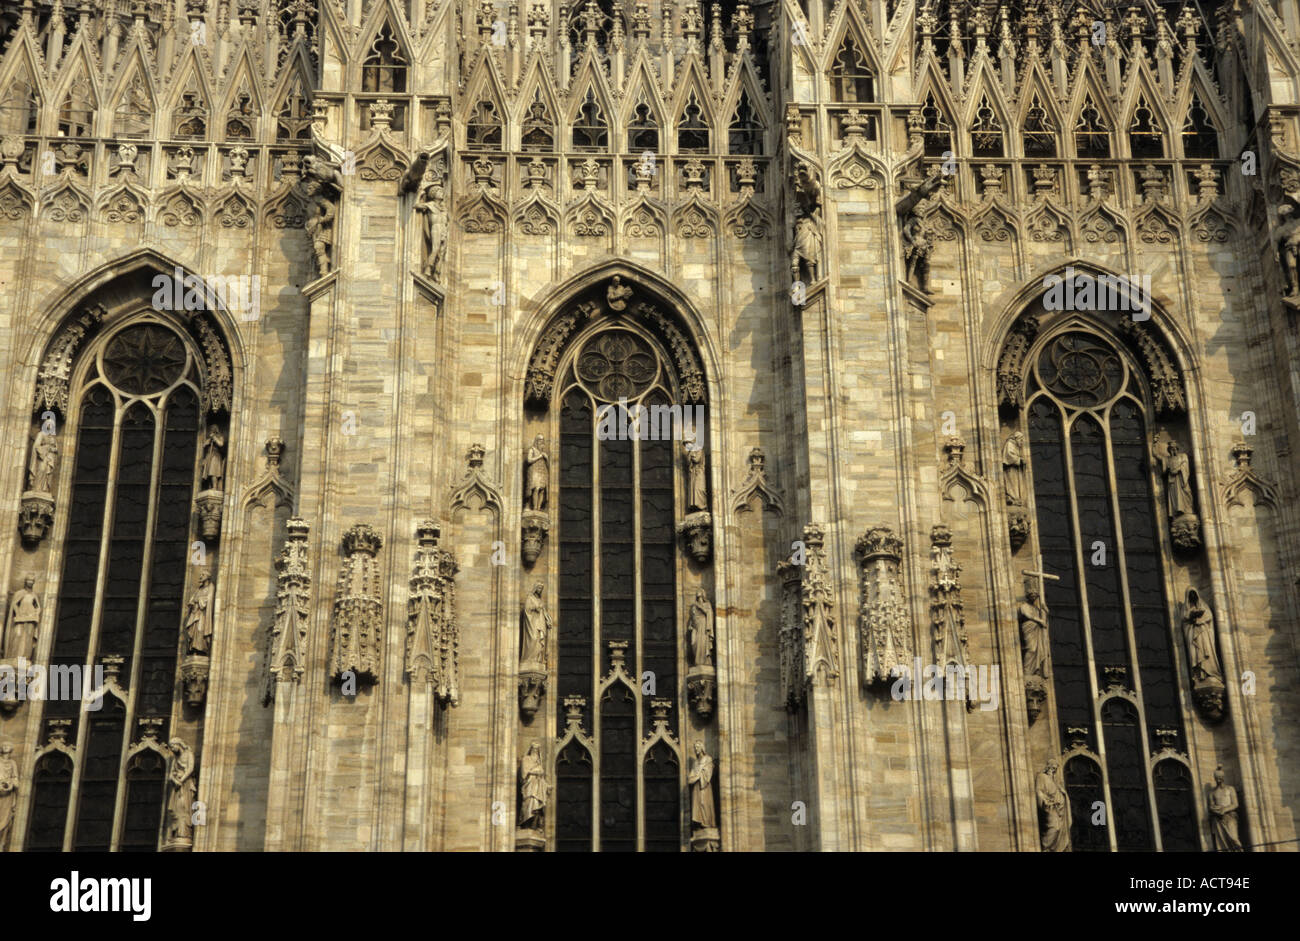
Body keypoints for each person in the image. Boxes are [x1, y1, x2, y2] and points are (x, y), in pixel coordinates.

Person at [1036, 759, 1069, 852]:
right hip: (1049, 807)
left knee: (1058, 828)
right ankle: (1046, 847)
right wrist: (1045, 801)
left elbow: (1059, 792)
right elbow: (1039, 791)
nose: (1053, 770)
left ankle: (1053, 848)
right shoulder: (1041, 777)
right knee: (1054, 827)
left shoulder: (1055, 781)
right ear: (1048, 767)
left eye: (1055, 769)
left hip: (1059, 809)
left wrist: (1063, 794)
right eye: (1052, 768)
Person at [4, 577, 40, 663]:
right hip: (20, 618)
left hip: (30, 619)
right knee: (18, 635)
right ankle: (14, 656)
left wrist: (35, 613)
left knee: (28, 638)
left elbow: (38, 607)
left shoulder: (34, 595)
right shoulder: (20, 593)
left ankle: (25, 657)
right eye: (29, 580)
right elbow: (14, 604)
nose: (30, 582)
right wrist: (18, 613)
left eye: (32, 581)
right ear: (25, 582)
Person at [1018, 584, 1050, 680]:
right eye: (1031, 595)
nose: (1033, 597)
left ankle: (1036, 670)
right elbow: (1027, 615)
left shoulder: (1037, 609)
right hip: (1029, 629)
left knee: (1039, 650)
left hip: (1037, 631)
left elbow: (1045, 622)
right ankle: (1027, 671)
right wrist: (1039, 621)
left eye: (1035, 596)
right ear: (1028, 596)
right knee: (1031, 649)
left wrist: (1046, 612)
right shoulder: (1024, 606)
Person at [518, 741, 548, 829]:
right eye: (533, 749)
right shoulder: (526, 759)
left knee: (536, 804)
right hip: (529, 786)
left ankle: (534, 825)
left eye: (537, 750)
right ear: (530, 749)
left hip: (537, 788)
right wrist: (535, 772)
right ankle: (526, 823)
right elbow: (524, 773)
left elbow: (542, 775)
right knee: (529, 803)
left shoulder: (539, 763)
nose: (535, 751)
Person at [688, 742, 716, 831]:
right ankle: (700, 823)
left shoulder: (708, 759)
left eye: (697, 747)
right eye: (695, 747)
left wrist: (698, 776)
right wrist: (693, 778)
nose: (696, 749)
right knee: (697, 805)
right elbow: (691, 776)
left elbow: (708, 773)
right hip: (696, 787)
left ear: (702, 748)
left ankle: (707, 823)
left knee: (704, 803)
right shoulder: (695, 763)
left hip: (704, 786)